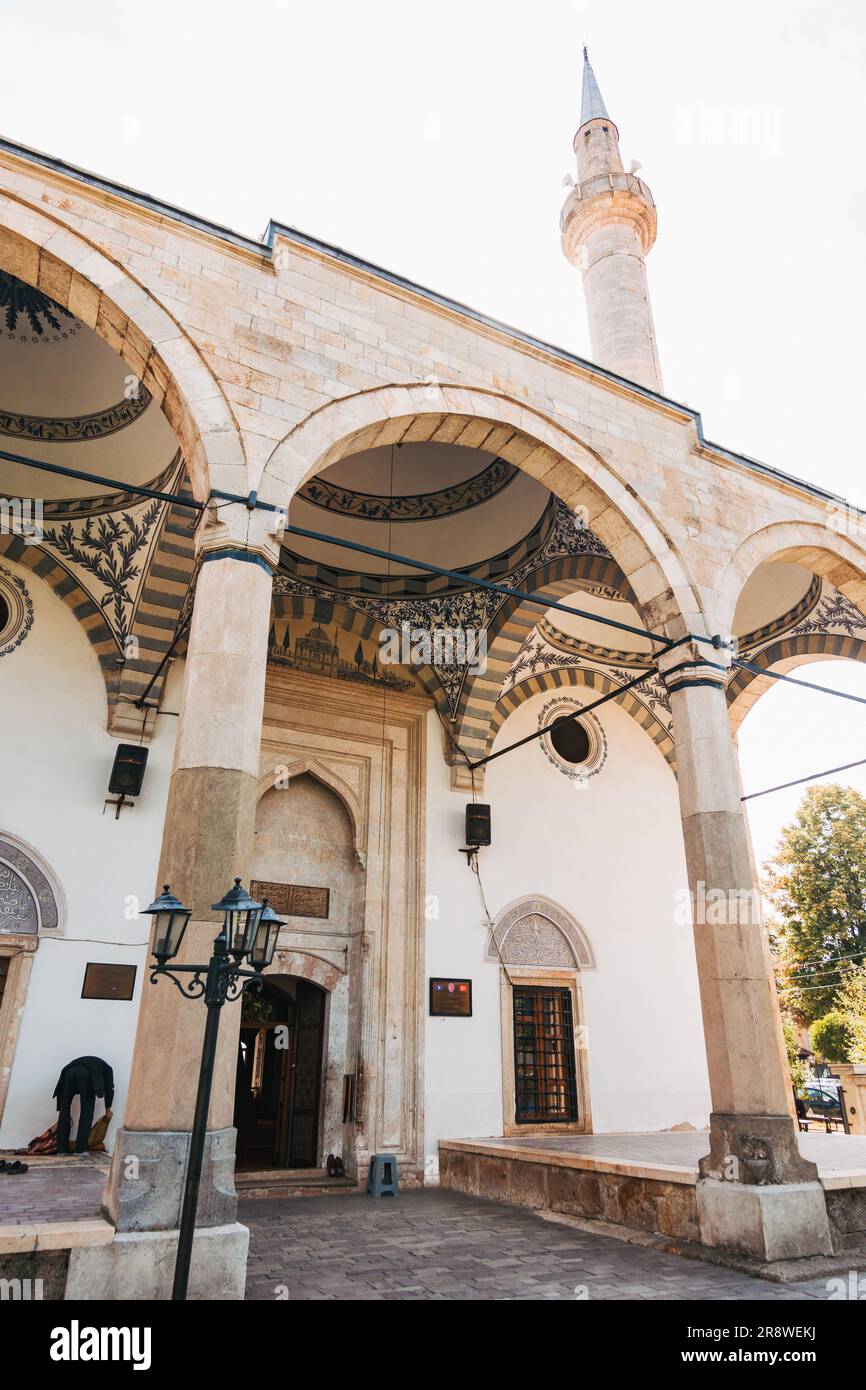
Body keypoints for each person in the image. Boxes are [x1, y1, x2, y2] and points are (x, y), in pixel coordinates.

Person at [53, 1056, 114, 1156]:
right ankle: (80, 1150)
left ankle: (61, 1150)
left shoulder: (84, 1062)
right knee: (87, 1111)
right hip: (86, 1075)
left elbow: (62, 1094)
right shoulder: (108, 1069)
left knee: (64, 1110)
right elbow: (109, 1088)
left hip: (68, 1073)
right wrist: (108, 1108)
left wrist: (61, 1108)